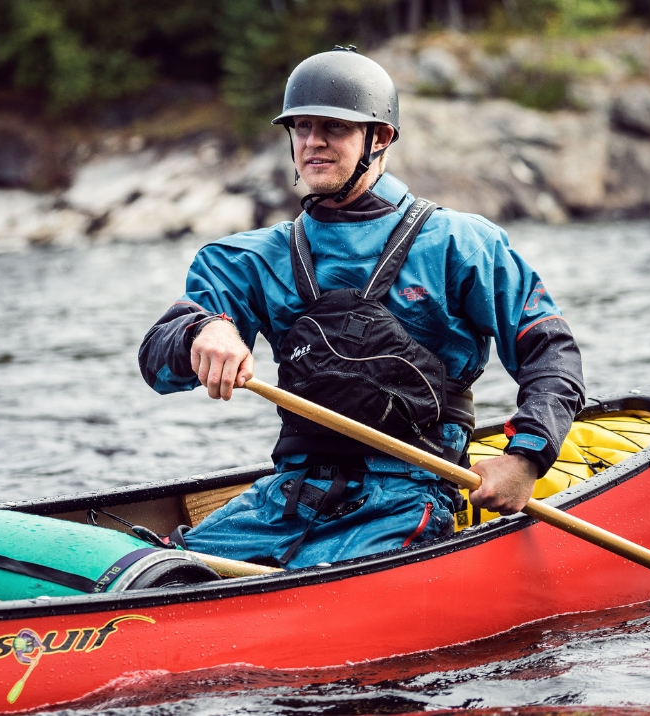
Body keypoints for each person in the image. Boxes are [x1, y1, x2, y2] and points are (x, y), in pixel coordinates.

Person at [138, 47, 585, 569]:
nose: (313, 143)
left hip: (414, 494)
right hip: (287, 499)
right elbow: (157, 359)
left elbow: (550, 352)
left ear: (380, 138)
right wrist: (202, 332)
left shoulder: (462, 244)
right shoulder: (249, 258)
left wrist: (526, 458)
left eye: (335, 128)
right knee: (160, 573)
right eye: (301, 127)